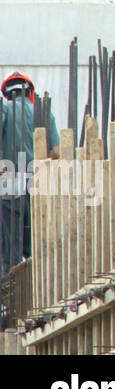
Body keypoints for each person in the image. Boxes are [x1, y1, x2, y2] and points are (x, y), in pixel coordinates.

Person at [0, 72, 59, 280]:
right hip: (38, 188)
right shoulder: (42, 112)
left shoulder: (4, 110)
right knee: (37, 246)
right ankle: (39, 289)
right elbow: (57, 151)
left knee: (10, 252)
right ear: (29, 91)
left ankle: (10, 300)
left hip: (8, 188)